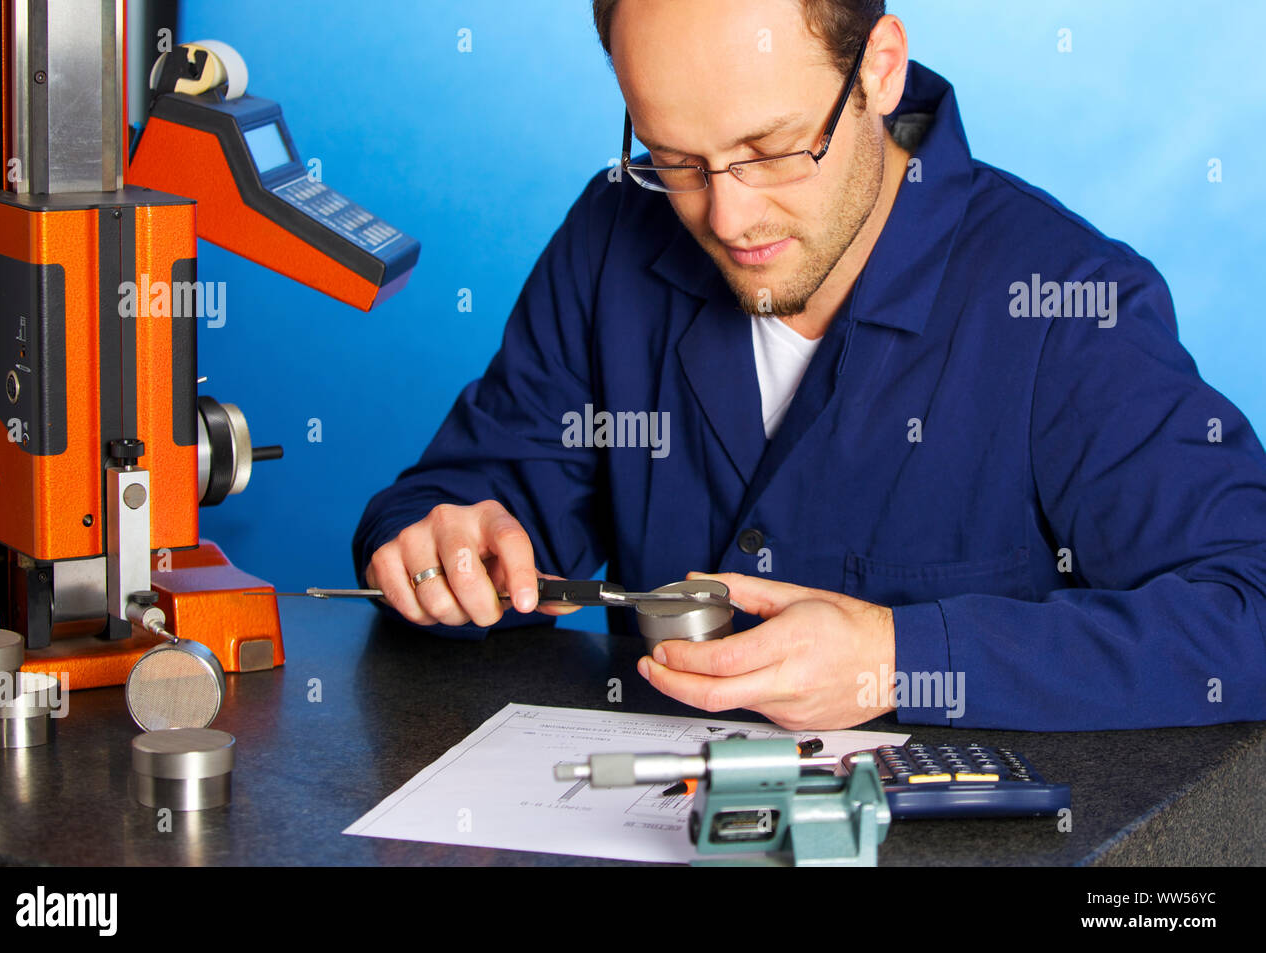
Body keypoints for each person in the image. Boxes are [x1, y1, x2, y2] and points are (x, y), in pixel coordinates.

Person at [353, 0, 1266, 731]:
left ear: (878, 66)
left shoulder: (1069, 304)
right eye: (677, 162)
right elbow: (471, 500)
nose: (729, 217)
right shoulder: (610, 234)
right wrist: (438, 545)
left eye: (772, 151)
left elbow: (1251, 614)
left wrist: (901, 659)